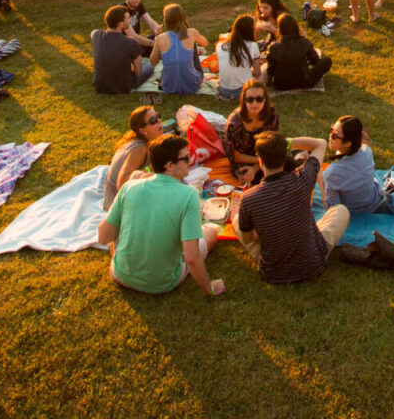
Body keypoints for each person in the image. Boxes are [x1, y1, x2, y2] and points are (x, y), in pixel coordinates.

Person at [97, 135, 224, 296]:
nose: (190, 161)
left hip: (120, 275)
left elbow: (103, 237)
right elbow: (191, 257)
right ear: (169, 165)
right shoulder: (188, 195)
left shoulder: (129, 188)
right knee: (210, 232)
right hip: (163, 283)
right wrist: (209, 288)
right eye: (185, 158)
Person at [236, 131, 351, 284]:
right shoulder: (303, 179)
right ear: (285, 158)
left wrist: (269, 227)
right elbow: (320, 143)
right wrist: (287, 142)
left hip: (274, 273)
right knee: (341, 211)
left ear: (261, 161)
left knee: (237, 220)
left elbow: (247, 238)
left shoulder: (248, 198)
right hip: (314, 263)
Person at [103, 107, 162, 211]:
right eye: (153, 120)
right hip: (116, 204)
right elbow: (121, 183)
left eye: (158, 116)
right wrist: (149, 169)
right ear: (143, 130)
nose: (159, 121)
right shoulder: (139, 149)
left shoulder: (139, 141)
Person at [223, 80, 278, 184]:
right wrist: (262, 161)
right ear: (244, 100)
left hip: (267, 159)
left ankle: (299, 155)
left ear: (265, 99)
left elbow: (273, 146)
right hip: (244, 162)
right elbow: (236, 157)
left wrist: (256, 167)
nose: (255, 103)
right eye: (250, 99)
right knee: (249, 178)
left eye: (259, 99)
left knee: (290, 170)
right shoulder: (234, 124)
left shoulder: (271, 115)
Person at [91, 5, 155, 94]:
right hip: (123, 87)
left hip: (100, 85)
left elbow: (93, 32)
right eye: (128, 19)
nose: (129, 22)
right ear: (120, 24)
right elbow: (138, 71)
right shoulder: (131, 42)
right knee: (149, 66)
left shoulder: (96, 36)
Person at [265, 14, 330, 90]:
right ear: (296, 27)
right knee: (327, 61)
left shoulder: (273, 48)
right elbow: (315, 61)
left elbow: (270, 71)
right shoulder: (304, 42)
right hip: (305, 82)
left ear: (279, 29)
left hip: (281, 85)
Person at [153, 4, 206, 96]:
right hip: (192, 86)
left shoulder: (160, 38)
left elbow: (153, 62)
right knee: (193, 46)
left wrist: (157, 40)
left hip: (168, 86)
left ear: (166, 20)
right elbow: (205, 43)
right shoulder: (192, 32)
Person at [215, 16, 262, 101]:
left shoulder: (220, 45)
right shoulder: (253, 46)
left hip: (224, 90)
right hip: (245, 91)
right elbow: (257, 73)